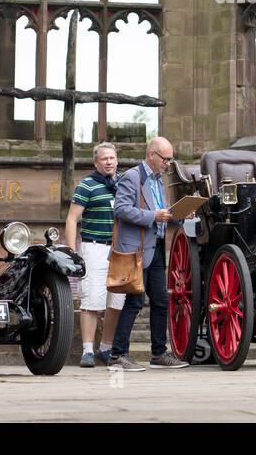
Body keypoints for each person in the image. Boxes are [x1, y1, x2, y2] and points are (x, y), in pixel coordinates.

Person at [107, 136, 189, 370]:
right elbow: (121, 209)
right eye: (166, 159)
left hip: (155, 249)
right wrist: (153, 216)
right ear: (151, 155)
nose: (168, 164)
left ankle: (158, 354)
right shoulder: (133, 176)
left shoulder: (158, 180)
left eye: (171, 160)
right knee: (134, 301)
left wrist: (180, 215)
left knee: (161, 301)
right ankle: (117, 355)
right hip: (136, 250)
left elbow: (162, 213)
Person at [65, 142, 125, 368]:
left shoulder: (124, 184)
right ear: (95, 162)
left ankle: (106, 348)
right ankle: (88, 351)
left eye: (112, 158)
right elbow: (72, 219)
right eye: (104, 159)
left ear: (117, 160)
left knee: (116, 301)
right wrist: (72, 252)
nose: (108, 162)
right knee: (91, 299)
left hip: (120, 249)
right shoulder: (87, 186)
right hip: (94, 247)